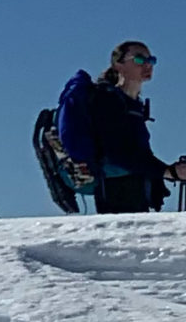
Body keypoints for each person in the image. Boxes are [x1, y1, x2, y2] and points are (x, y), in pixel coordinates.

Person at [57, 42, 186, 214]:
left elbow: (136, 153)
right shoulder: (107, 100)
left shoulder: (131, 104)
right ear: (118, 65)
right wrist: (167, 172)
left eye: (151, 60)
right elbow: (118, 153)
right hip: (116, 188)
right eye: (139, 59)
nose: (147, 64)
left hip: (131, 186)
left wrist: (160, 175)